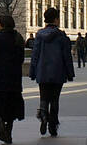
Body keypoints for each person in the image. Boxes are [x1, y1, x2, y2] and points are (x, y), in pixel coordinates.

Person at [29, 7, 74, 136]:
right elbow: (67, 56)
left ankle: (43, 113)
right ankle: (53, 125)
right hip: (57, 72)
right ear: (56, 19)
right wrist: (70, 73)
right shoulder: (61, 36)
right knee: (55, 99)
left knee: (44, 95)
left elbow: (35, 55)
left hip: (42, 71)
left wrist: (33, 71)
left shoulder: (39, 35)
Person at [0, 13, 25, 144]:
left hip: (0, 75)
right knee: (13, 102)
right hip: (14, 76)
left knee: (0, 101)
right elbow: (21, 57)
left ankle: (1, 121)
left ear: (2, 24)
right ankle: (9, 128)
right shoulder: (18, 37)